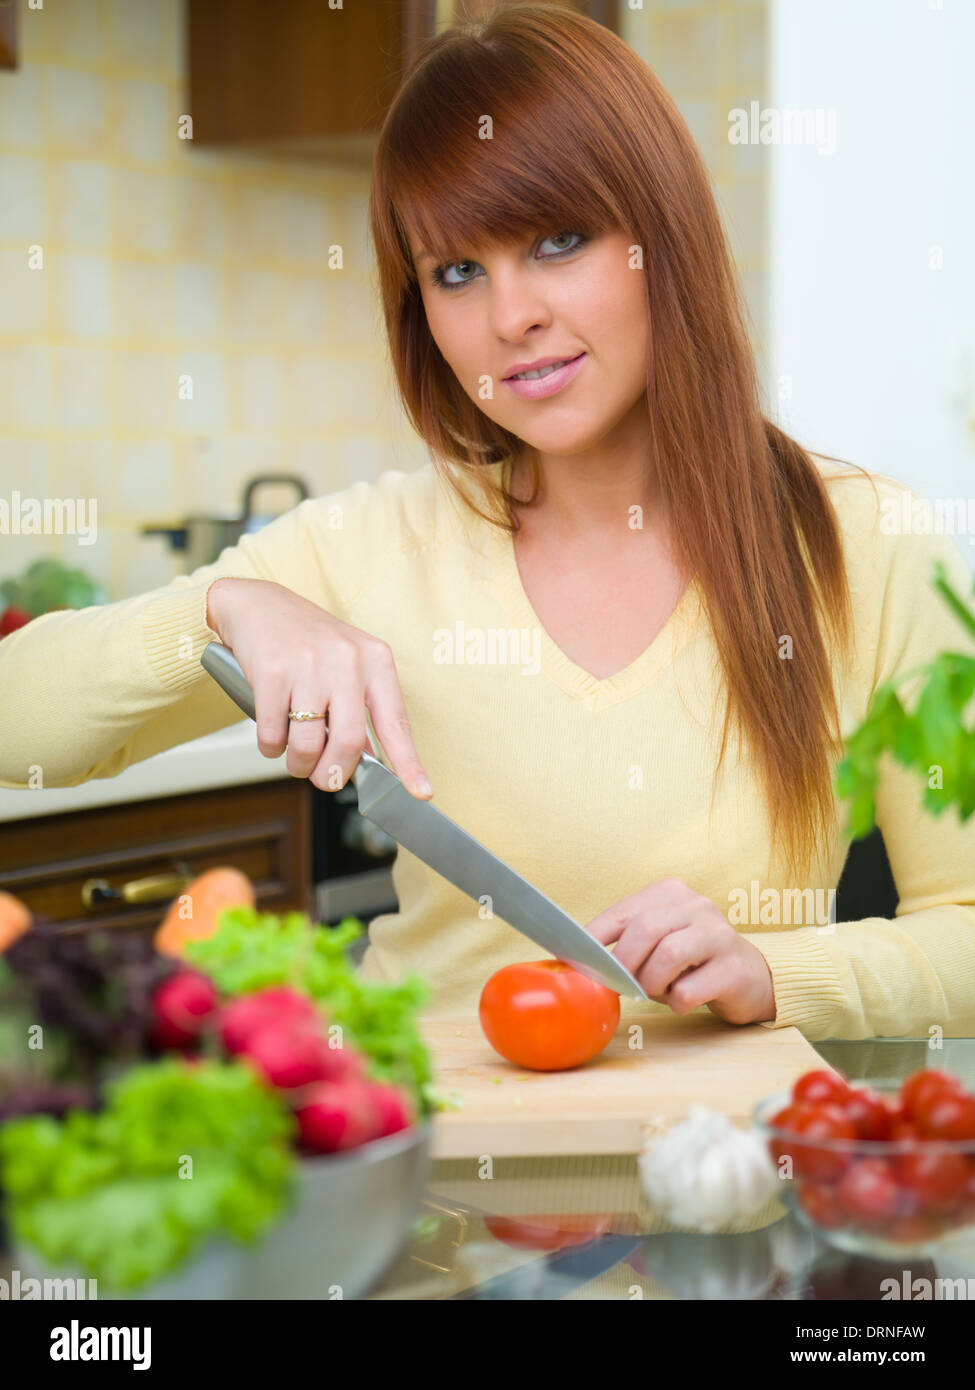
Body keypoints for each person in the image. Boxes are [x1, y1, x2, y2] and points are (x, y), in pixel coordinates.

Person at [2, 4, 974, 1038]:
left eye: (559, 241)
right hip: (431, 1180)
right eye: (457, 271)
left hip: (723, 1179)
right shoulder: (369, 546)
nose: (510, 317)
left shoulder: (868, 545)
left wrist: (780, 972)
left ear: (664, 237)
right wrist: (224, 609)